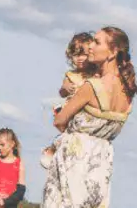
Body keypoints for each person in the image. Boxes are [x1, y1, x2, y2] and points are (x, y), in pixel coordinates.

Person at [11, 26, 137, 208]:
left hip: (75, 157)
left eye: (97, 42)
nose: (91, 46)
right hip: (101, 161)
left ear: (113, 51)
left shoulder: (90, 87)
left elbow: (61, 122)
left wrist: (61, 113)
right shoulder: (128, 94)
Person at [40, 32, 96, 168]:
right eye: (76, 55)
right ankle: (55, 149)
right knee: (66, 130)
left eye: (84, 54)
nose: (80, 58)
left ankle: (61, 151)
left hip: (85, 111)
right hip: (70, 109)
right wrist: (65, 87)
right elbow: (62, 92)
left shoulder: (94, 75)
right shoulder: (71, 75)